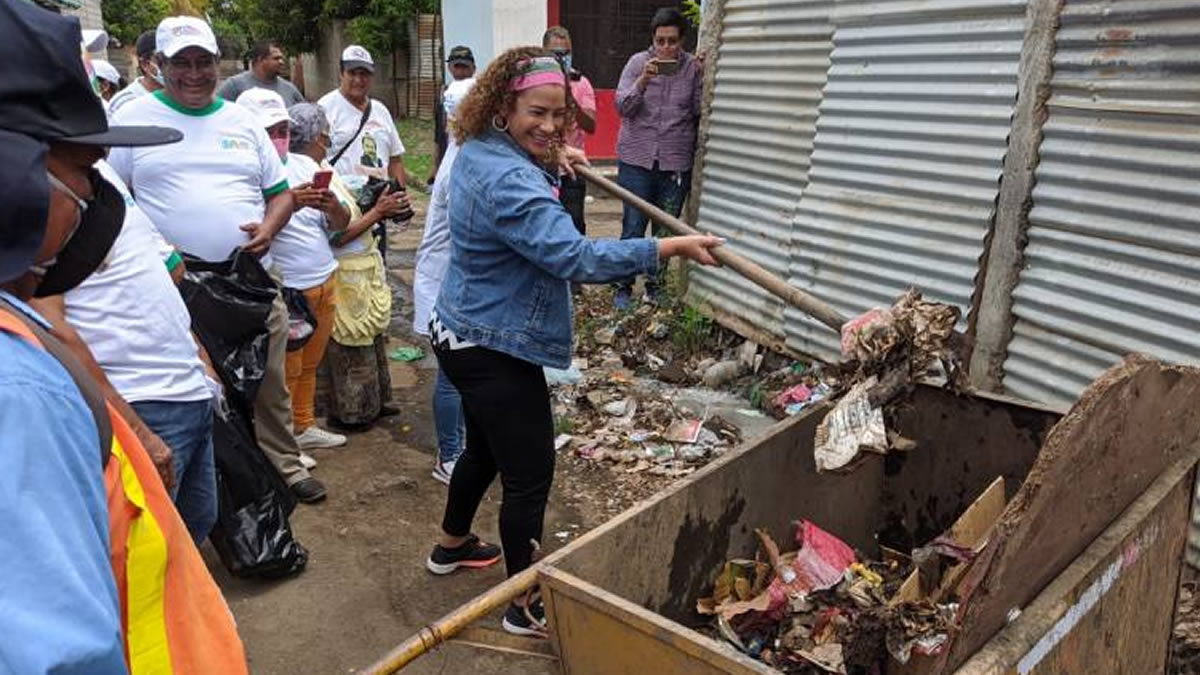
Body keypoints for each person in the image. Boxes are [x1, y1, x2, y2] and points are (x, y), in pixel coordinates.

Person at [425, 47, 722, 636]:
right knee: (530, 476)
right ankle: (523, 604)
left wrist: (553, 159)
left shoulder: (480, 147)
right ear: (504, 106)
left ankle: (450, 546)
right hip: (493, 347)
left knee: (483, 451)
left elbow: (526, 178)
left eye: (560, 114)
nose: (551, 125)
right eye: (538, 112)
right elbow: (573, 255)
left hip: (458, 330)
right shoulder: (510, 179)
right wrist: (667, 246)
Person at [0, 3, 248, 671]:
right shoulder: (17, 392)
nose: (90, 198)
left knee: (178, 549)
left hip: (183, 392)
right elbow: (57, 650)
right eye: (78, 174)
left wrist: (198, 357)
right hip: (145, 402)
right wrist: (134, 424)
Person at [109, 15, 328, 503]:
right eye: (180, 63)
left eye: (203, 62)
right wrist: (156, 251)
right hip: (173, 283)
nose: (193, 73)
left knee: (269, 380)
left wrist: (270, 229)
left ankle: (286, 468)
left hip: (246, 276)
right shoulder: (131, 121)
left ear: (217, 63)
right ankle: (215, 484)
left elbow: (280, 194)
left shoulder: (242, 121)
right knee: (196, 387)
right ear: (158, 65)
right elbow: (111, 199)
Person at [239, 89, 352, 449]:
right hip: (287, 288)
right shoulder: (244, 176)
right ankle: (283, 441)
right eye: (269, 131)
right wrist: (289, 206)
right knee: (284, 370)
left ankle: (304, 426)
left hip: (323, 279)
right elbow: (251, 233)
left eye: (283, 130)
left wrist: (331, 206)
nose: (278, 139)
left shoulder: (305, 165)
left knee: (310, 363)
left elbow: (339, 225)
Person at [290, 104, 409, 431]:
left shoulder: (321, 164)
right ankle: (353, 411)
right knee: (349, 346)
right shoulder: (307, 175)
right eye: (324, 133)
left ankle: (375, 401)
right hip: (345, 271)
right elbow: (336, 236)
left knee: (370, 337)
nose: (328, 138)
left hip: (360, 269)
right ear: (316, 136)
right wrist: (377, 213)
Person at [613, 7, 704, 309]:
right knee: (633, 226)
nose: (665, 48)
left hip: (674, 163)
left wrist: (702, 77)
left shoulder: (692, 69)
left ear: (682, 42)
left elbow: (697, 111)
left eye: (672, 41)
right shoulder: (637, 63)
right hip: (636, 159)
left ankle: (655, 286)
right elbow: (622, 106)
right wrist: (643, 81)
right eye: (660, 41)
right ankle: (623, 287)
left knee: (664, 228)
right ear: (652, 40)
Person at [413, 76, 474, 485]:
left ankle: (462, 447)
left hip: (453, 280)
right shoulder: (458, 165)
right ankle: (449, 455)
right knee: (451, 376)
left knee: (464, 373)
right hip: (443, 282)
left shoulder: (464, 153)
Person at [319, 45, 407, 185]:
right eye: (352, 73)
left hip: (379, 199)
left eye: (364, 74)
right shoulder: (325, 108)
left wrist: (401, 194)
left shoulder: (380, 111)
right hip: (343, 201)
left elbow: (395, 160)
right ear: (341, 73)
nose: (358, 80)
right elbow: (314, 160)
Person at [543, 26, 596, 244]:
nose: (561, 58)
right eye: (555, 53)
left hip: (572, 171)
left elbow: (591, 126)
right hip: (542, 168)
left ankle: (574, 278)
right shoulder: (534, 83)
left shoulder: (581, 84)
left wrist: (571, 100)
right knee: (544, 227)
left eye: (565, 53)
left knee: (574, 229)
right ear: (544, 52)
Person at [429, 44, 476, 184]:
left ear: (473, 68)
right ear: (449, 68)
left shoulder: (480, 97)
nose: (460, 72)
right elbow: (439, 136)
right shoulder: (445, 98)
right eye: (457, 67)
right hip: (449, 160)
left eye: (465, 67)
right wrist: (435, 167)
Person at [218, 38, 305, 106]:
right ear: (261, 59)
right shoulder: (234, 85)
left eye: (281, 58)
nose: (281, 62)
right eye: (276, 58)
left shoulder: (289, 89)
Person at [107, 30, 163, 114]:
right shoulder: (125, 102)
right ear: (145, 64)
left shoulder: (182, 96)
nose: (172, 66)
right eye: (163, 60)